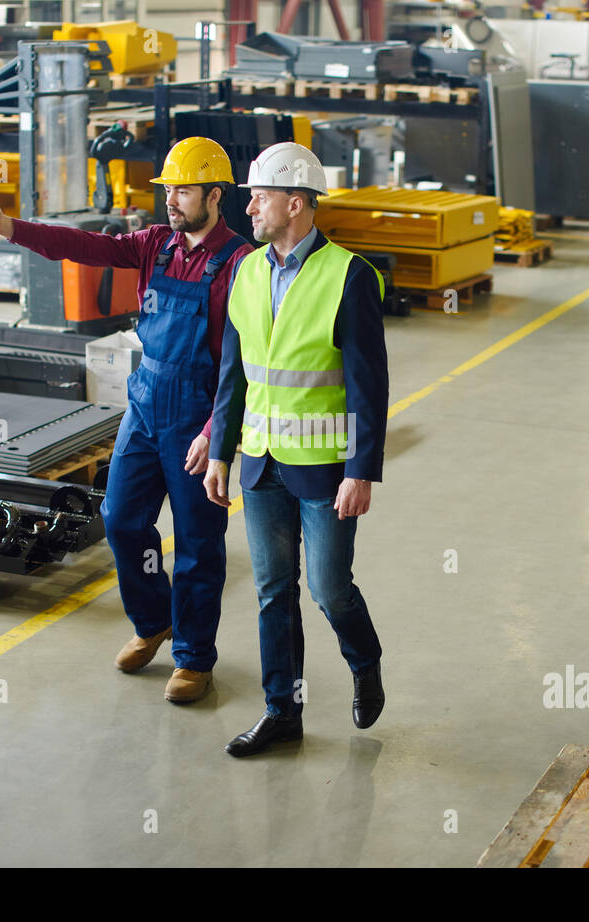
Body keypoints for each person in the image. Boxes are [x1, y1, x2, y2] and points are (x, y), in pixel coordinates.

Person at [0, 137, 250, 704]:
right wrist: (10, 228)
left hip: (197, 412)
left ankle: (193, 657)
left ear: (215, 195)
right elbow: (84, 246)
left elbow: (243, 362)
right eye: (168, 190)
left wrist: (216, 433)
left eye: (183, 191)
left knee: (197, 542)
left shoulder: (239, 264)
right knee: (120, 519)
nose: (172, 200)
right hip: (145, 402)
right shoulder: (154, 245)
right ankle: (153, 619)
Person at [203, 142, 389, 756]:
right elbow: (235, 371)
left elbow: (368, 385)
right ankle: (283, 711)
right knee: (271, 592)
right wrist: (223, 452)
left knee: (329, 588)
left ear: (297, 202)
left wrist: (361, 470)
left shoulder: (349, 276)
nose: (248, 206)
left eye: (259, 195)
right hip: (260, 464)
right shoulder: (247, 270)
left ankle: (364, 663)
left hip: (325, 467)